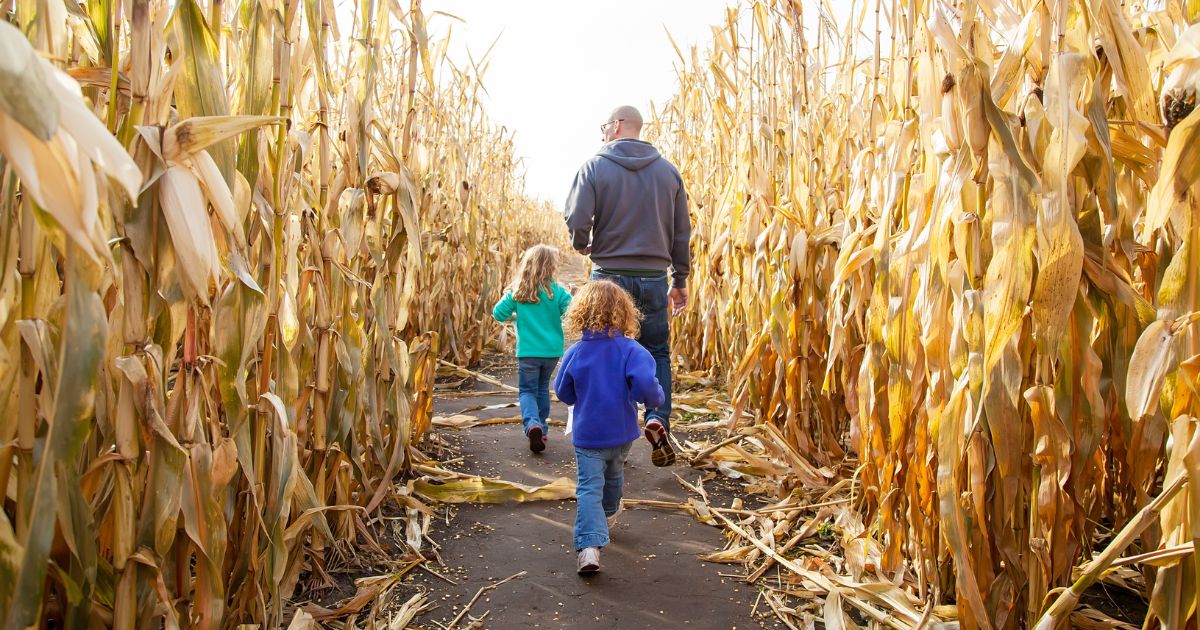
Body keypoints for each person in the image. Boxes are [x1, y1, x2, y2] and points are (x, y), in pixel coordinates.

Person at [562, 105, 691, 467]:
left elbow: (576, 216)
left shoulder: (594, 166)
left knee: (600, 351)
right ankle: (656, 416)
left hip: (607, 276)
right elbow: (682, 231)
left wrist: (581, 242)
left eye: (604, 127)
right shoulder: (668, 173)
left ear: (617, 126)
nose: (603, 133)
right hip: (653, 276)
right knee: (656, 351)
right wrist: (680, 279)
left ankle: (604, 437)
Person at [554, 281, 665, 574]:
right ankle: (605, 517)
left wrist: (582, 392)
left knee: (589, 486)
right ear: (624, 312)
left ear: (581, 313)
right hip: (622, 433)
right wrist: (655, 400)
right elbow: (646, 388)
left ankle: (590, 546)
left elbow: (563, 392)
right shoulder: (632, 350)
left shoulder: (576, 352)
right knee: (614, 475)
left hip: (588, 433)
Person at [492, 245, 572, 453]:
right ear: (551, 266)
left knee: (527, 390)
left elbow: (498, 314)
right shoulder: (557, 291)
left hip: (528, 351)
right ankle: (542, 429)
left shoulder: (518, 291)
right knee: (542, 388)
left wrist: (517, 316)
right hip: (552, 351)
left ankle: (532, 424)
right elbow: (572, 313)